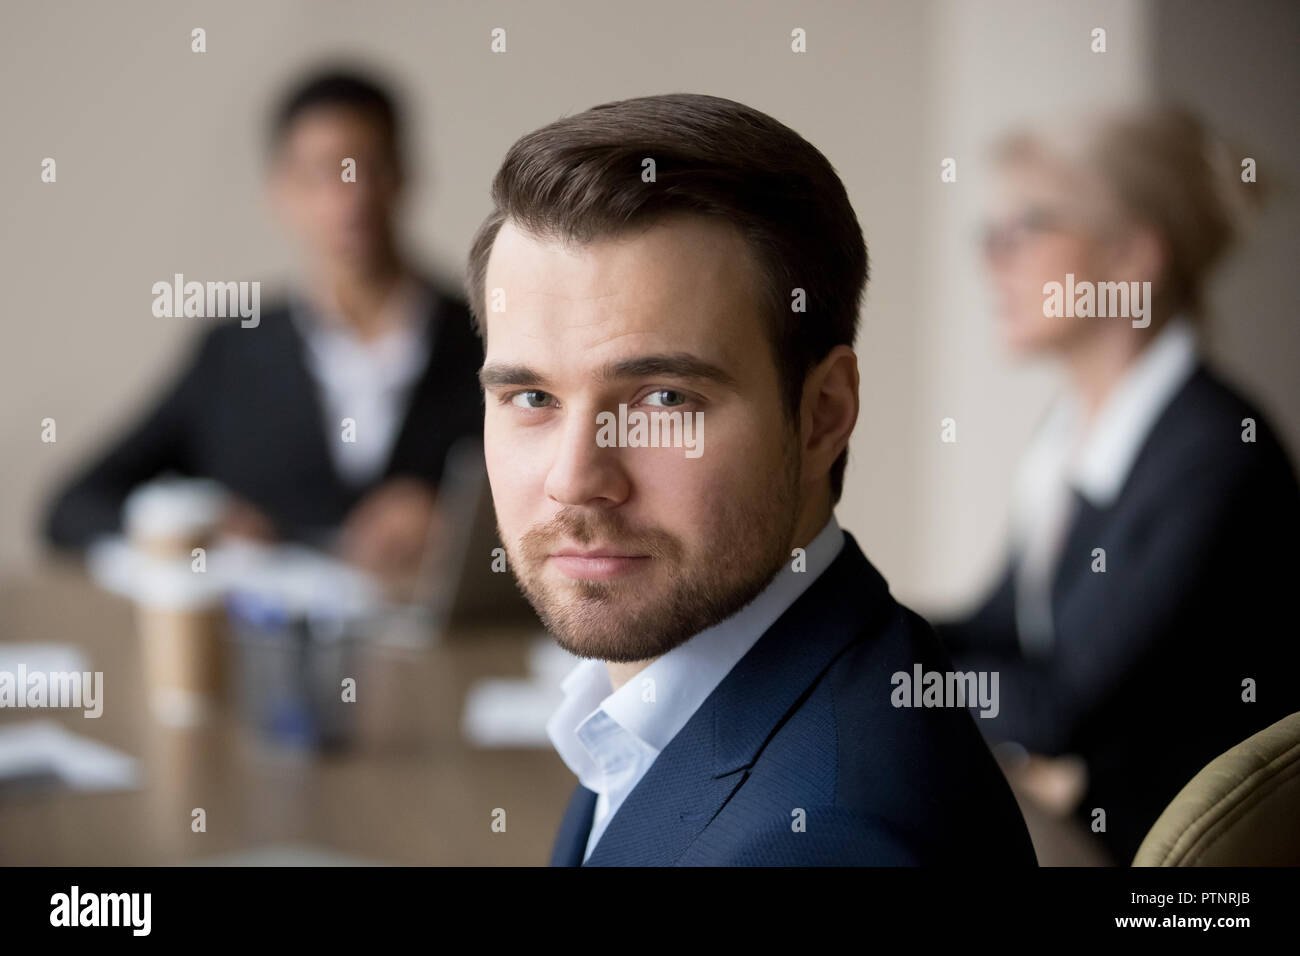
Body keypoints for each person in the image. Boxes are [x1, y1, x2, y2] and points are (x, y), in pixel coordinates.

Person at [467, 92, 1037, 866]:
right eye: (532, 398)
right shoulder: (663, 706)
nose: (575, 479)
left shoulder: (829, 840)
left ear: (822, 415)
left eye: (663, 400)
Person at [932, 104, 1300, 863]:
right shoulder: (1071, 431)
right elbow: (998, 630)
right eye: (989, 234)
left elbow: (1061, 707)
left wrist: (882, 676)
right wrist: (845, 622)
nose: (993, 260)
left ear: (1132, 256)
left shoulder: (1213, 454)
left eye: (1025, 227)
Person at [43, 68, 483, 581]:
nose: (349, 198)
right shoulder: (232, 353)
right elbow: (71, 509)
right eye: (321, 174)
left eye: (369, 168)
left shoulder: (488, 339)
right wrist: (199, 524)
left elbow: (575, 504)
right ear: (280, 193)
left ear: (405, 175)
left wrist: (462, 523)